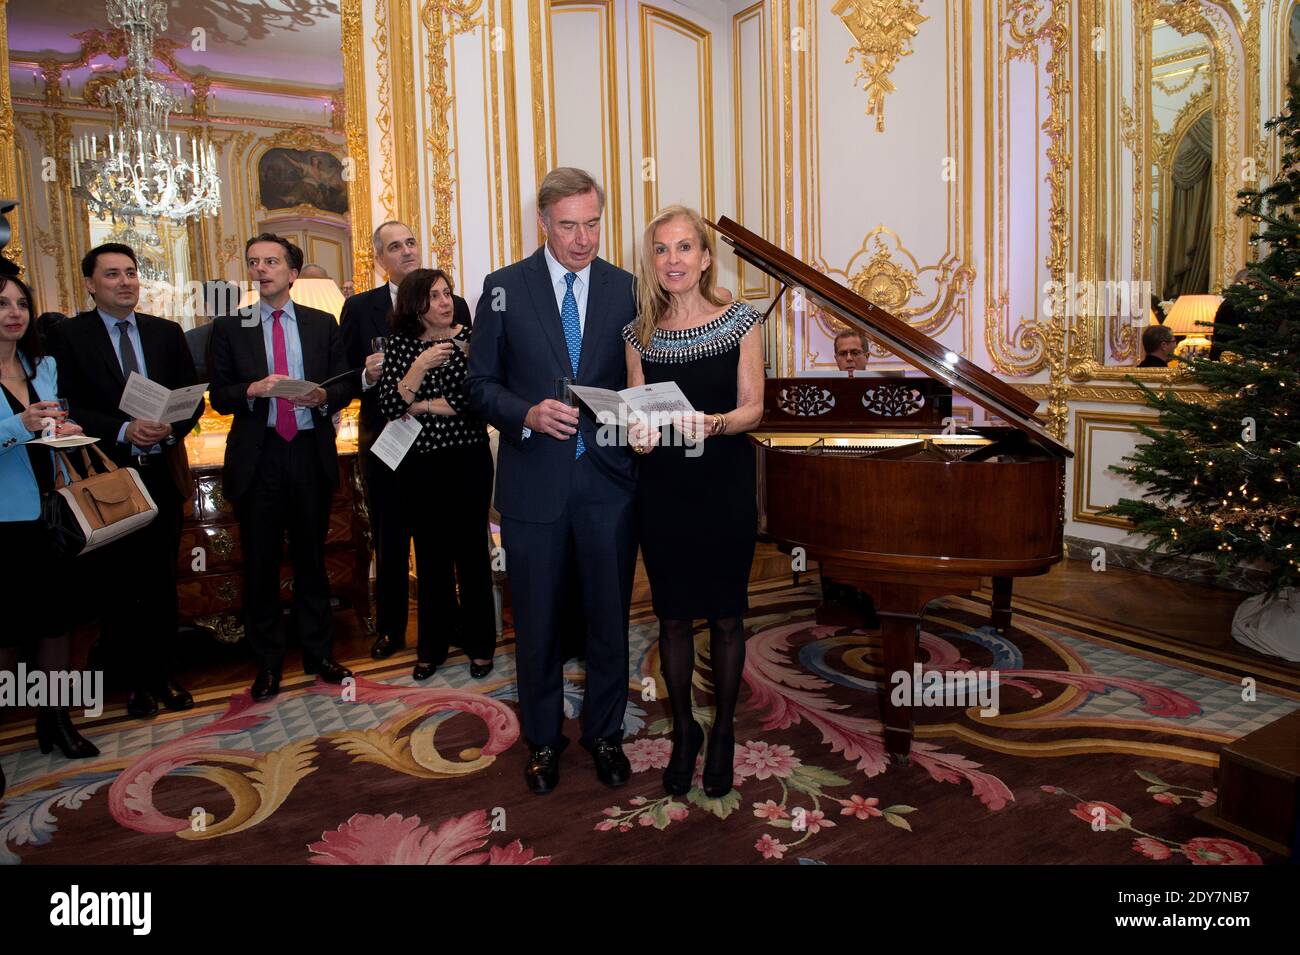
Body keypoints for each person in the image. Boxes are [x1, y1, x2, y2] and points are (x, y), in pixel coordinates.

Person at [466, 167, 639, 795]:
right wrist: (526, 414)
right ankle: (542, 740)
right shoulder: (503, 288)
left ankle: (605, 733)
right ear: (543, 223)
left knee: (608, 620)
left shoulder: (627, 288)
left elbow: (640, 379)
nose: (583, 238)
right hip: (533, 484)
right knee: (536, 622)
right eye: (569, 226)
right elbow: (478, 385)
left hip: (608, 485)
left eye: (593, 223)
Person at [624, 205, 765, 799]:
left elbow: (753, 408)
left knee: (727, 617)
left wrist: (715, 424)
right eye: (661, 249)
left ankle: (724, 729)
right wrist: (636, 432)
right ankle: (685, 730)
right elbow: (636, 410)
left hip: (723, 484)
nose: (673, 259)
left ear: (706, 258)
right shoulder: (638, 334)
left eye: (684, 247)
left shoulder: (742, 321)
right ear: (652, 261)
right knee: (674, 617)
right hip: (664, 491)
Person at [46, 243, 203, 719]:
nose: (125, 282)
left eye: (131, 273)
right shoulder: (70, 336)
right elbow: (65, 403)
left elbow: (191, 397)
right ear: (90, 284)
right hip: (108, 478)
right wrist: (122, 429)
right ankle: (134, 683)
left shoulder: (166, 332)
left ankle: (164, 675)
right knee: (118, 585)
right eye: (112, 274)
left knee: (161, 582)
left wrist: (170, 428)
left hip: (162, 472)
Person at [207, 233, 355, 702]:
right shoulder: (232, 327)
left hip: (309, 452)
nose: (261, 269)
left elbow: (345, 383)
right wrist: (252, 390)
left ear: (292, 272)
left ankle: (319, 654)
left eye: (271, 262)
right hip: (260, 457)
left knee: (313, 560)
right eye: (254, 262)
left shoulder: (321, 323)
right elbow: (220, 394)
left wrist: (323, 396)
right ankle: (268, 663)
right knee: (261, 565)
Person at [340, 220, 473, 660]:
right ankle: (391, 630)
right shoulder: (360, 308)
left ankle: (451, 624)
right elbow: (344, 375)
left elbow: (469, 380)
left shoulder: (454, 305)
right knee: (391, 536)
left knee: (443, 539)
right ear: (380, 259)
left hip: (442, 444)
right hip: (389, 440)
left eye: (411, 242)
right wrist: (366, 374)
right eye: (395, 246)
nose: (407, 251)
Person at [0, 274, 99, 799]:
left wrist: (64, 430)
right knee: (5, 631)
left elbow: (54, 422)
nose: (14, 313)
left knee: (56, 622)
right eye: (1, 304)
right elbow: (19, 429)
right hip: (3, 520)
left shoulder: (43, 365)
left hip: (53, 511)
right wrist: (19, 424)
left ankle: (55, 718)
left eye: (21, 303)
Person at [376, 269, 495, 680]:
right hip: (420, 465)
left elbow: (474, 401)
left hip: (467, 460)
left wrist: (421, 404)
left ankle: (481, 646)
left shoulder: (470, 339)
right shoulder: (401, 345)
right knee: (430, 558)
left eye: (447, 293)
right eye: (435, 296)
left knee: (472, 555)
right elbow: (390, 405)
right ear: (415, 305)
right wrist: (420, 366)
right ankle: (432, 647)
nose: (446, 302)